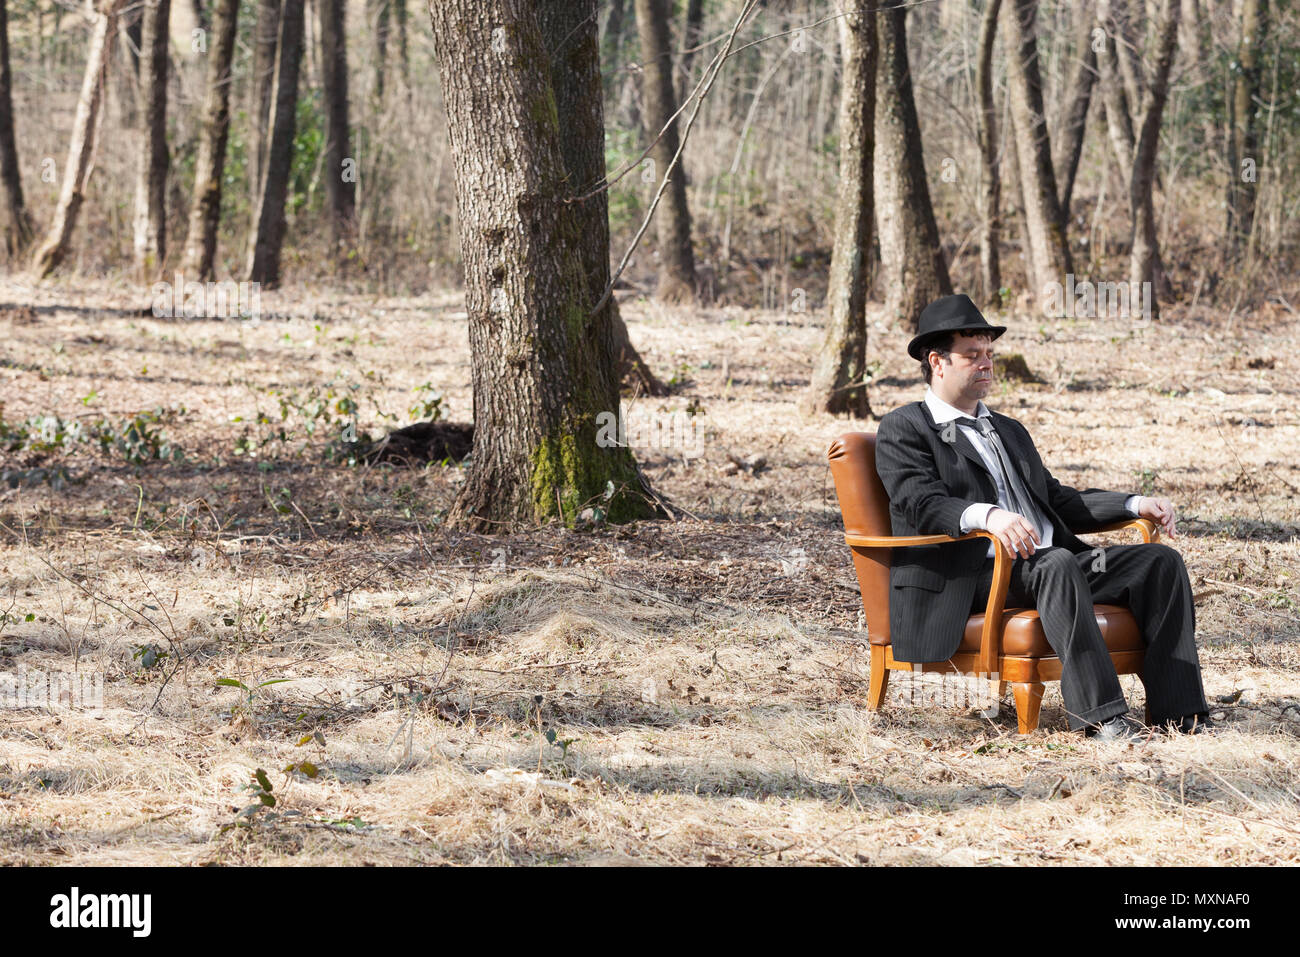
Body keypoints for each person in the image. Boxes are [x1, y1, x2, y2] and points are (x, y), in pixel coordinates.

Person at [874, 294, 1211, 740]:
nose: (986, 364)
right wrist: (989, 516)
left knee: (1159, 563)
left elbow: (1056, 500)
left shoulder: (1008, 429)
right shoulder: (906, 427)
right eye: (972, 355)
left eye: (989, 354)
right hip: (971, 573)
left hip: (1049, 565)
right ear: (937, 362)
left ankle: (1180, 714)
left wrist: (1134, 504)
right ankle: (1102, 719)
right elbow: (920, 502)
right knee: (1055, 563)